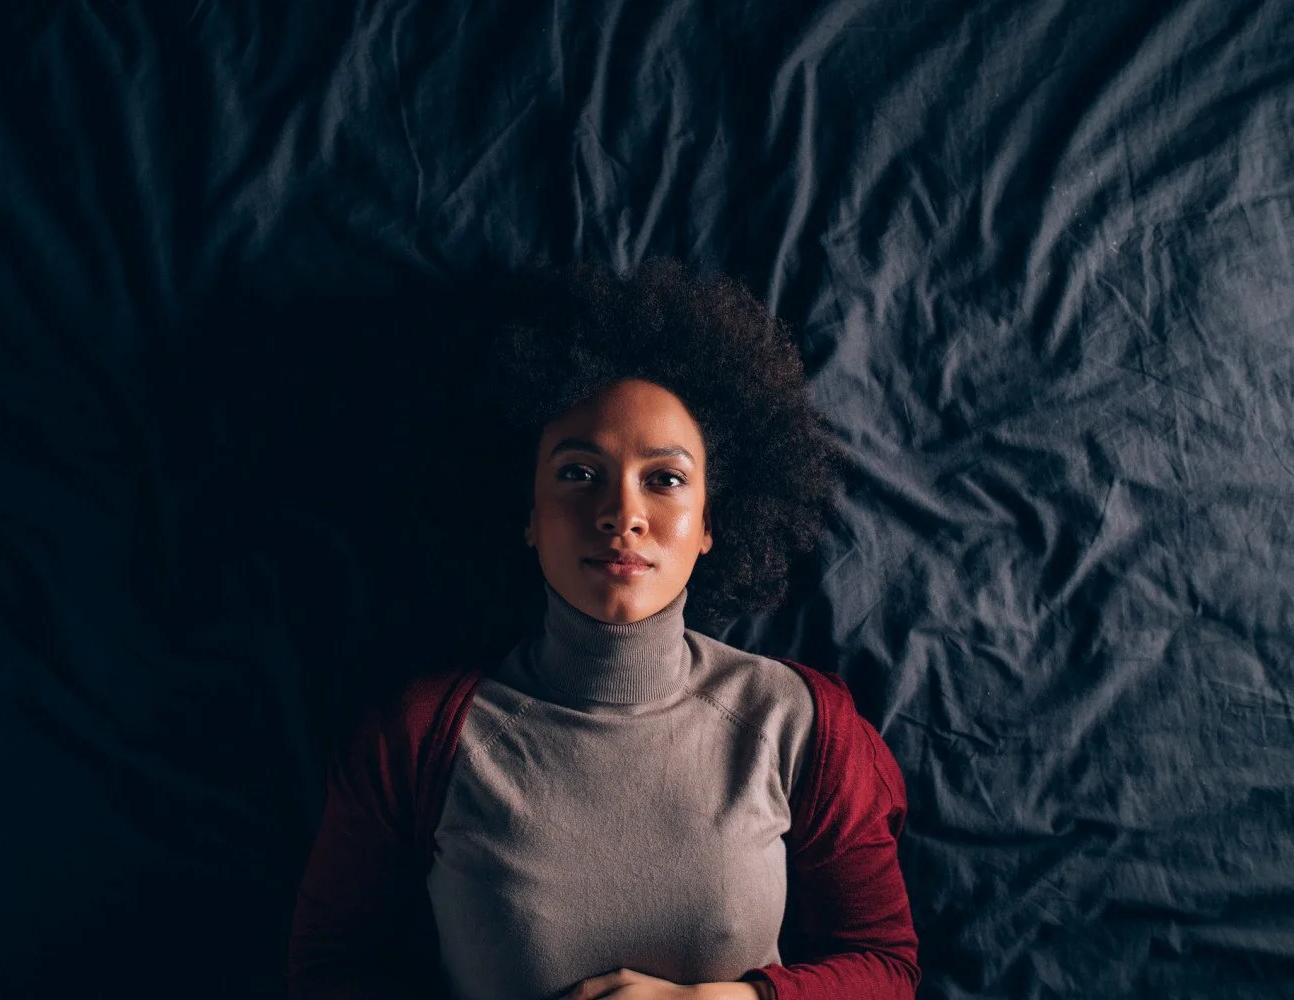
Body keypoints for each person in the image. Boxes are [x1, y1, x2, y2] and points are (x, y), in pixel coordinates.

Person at [287, 259, 919, 1000]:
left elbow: (886, 966)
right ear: (527, 515)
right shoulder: (418, 742)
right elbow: (329, 975)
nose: (622, 514)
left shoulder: (800, 725)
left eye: (665, 479)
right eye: (579, 474)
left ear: (710, 523)